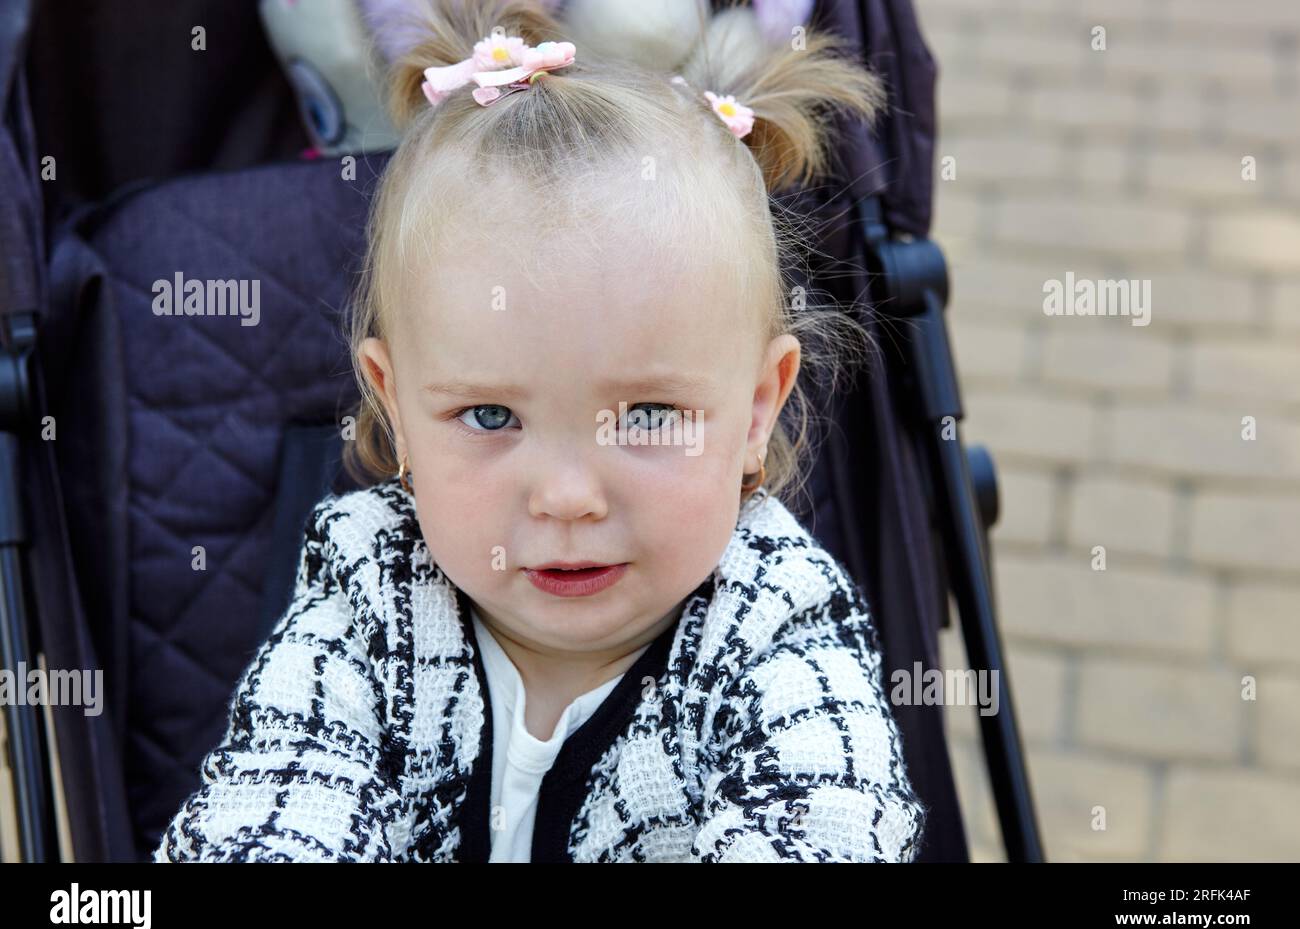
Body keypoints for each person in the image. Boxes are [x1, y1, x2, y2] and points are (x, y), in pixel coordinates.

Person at [154, 0, 927, 863]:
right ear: (395, 406)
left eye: (648, 415)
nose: (566, 497)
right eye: (490, 416)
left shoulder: (772, 625)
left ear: (756, 407)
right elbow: (274, 802)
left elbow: (828, 823)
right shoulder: (369, 595)